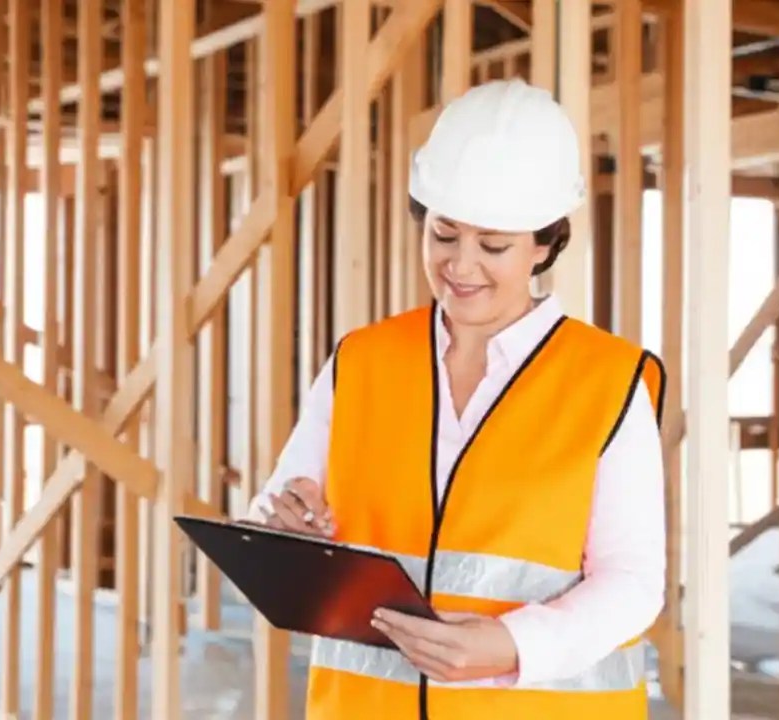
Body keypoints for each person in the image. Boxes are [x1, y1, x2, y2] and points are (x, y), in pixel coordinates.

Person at [247, 78, 667, 719]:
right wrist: (284, 526)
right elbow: (278, 510)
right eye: (444, 235)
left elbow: (634, 583)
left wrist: (514, 645)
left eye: (493, 245)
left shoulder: (608, 382)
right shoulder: (360, 362)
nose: (461, 266)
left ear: (544, 244)